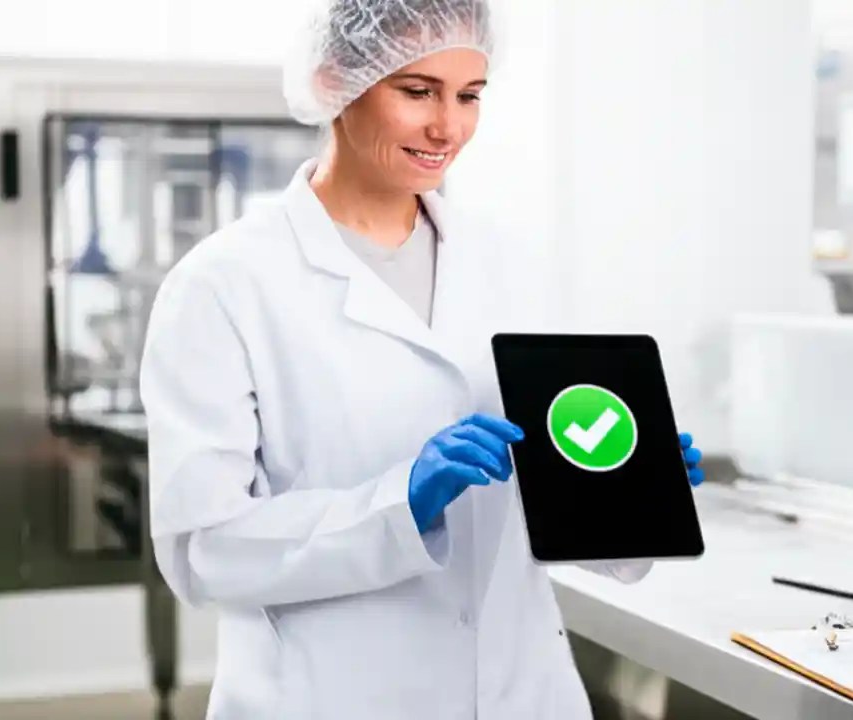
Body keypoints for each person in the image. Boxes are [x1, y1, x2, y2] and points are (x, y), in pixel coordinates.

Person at [139, 0, 705, 717]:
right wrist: (399, 503)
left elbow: (549, 486)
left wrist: (624, 487)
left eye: (469, 96)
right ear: (334, 81)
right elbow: (203, 549)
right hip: (331, 694)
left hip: (518, 691)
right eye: (417, 91)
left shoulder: (510, 265)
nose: (449, 126)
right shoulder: (224, 285)